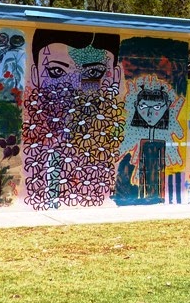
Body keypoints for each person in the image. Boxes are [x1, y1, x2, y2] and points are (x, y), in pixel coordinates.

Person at [22, 29, 125, 210]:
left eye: (93, 73)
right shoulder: (38, 144)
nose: (74, 86)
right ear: (36, 75)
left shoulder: (113, 149)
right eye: (56, 71)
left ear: (115, 78)